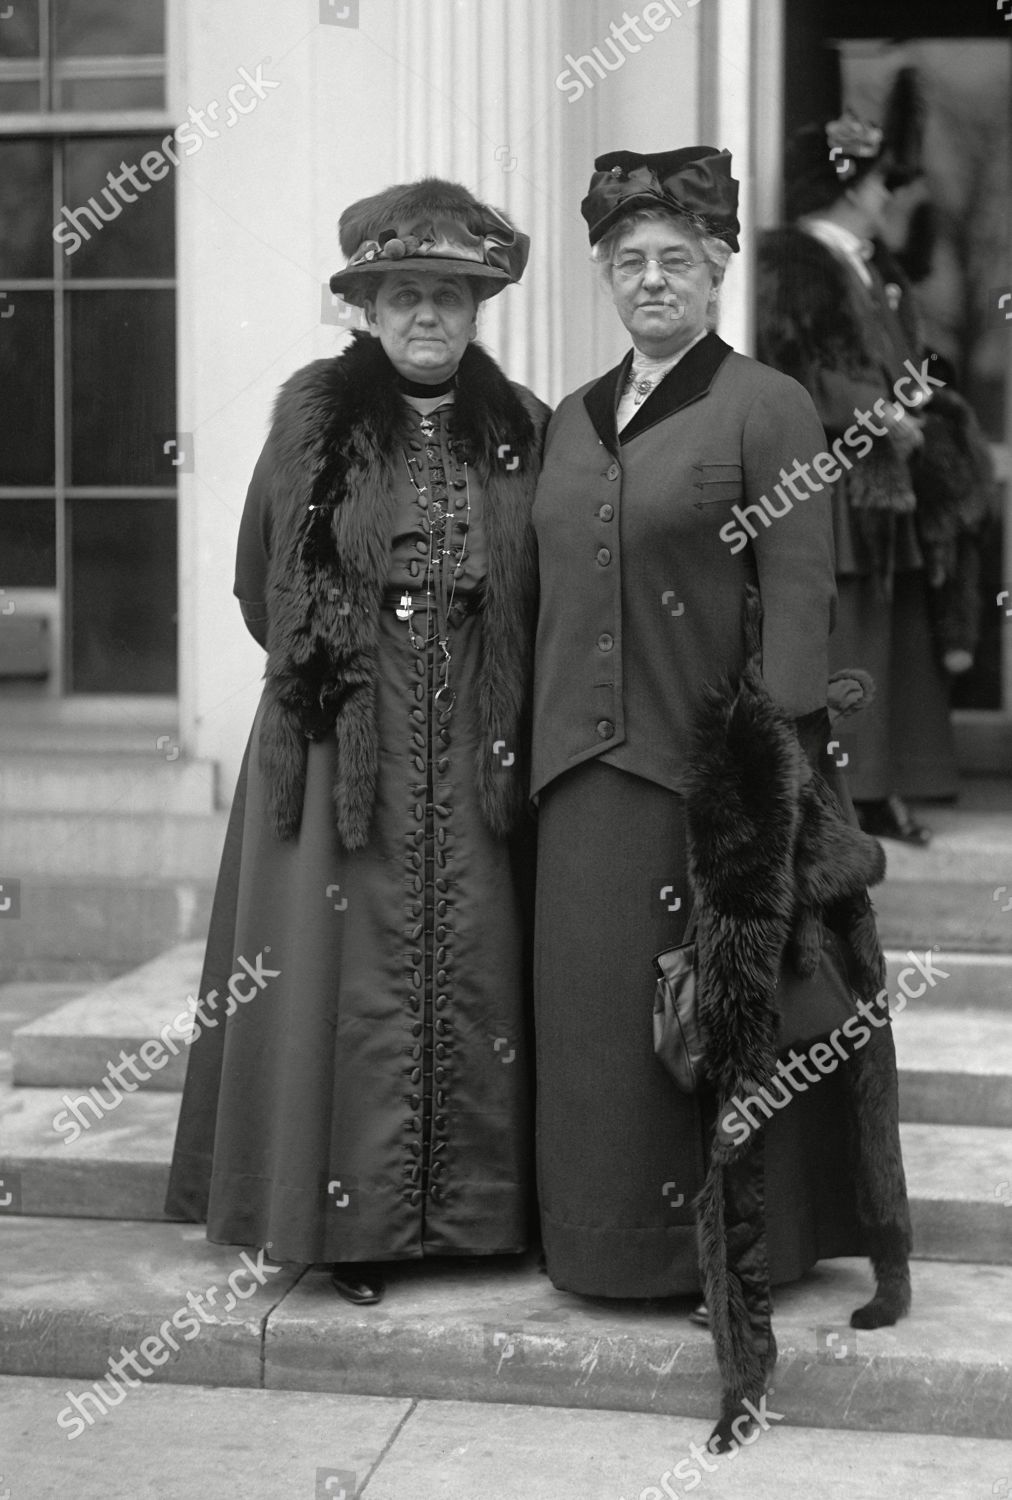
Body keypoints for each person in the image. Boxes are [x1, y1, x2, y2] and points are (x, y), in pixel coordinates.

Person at [530, 147, 911, 1450]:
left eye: (677, 263)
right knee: (592, 1022)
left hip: (706, 784)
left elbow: (801, 597)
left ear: (717, 273)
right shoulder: (567, 417)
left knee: (717, 1021)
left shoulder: (770, 406)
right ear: (604, 276)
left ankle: (729, 1255)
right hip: (575, 784)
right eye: (630, 262)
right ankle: (597, 1244)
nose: (653, 281)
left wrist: (771, 777)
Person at [166, 178, 549, 1307]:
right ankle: (353, 1228)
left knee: (477, 960)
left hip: (480, 734)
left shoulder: (523, 428)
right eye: (403, 295)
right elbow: (255, 581)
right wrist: (349, 676)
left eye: (448, 295)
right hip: (343, 740)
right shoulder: (312, 422)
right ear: (366, 309)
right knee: (346, 975)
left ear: (477, 310)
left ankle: (477, 1216)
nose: (426, 314)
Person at [756, 114, 963, 845]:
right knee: (849, 631)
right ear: (845, 184)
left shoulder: (873, 266)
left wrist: (921, 408)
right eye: (880, 181)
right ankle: (846, 798)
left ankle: (884, 785)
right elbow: (791, 369)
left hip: (887, 476)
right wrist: (874, 412)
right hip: (829, 478)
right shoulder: (792, 266)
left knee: (892, 629)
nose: (888, 197)